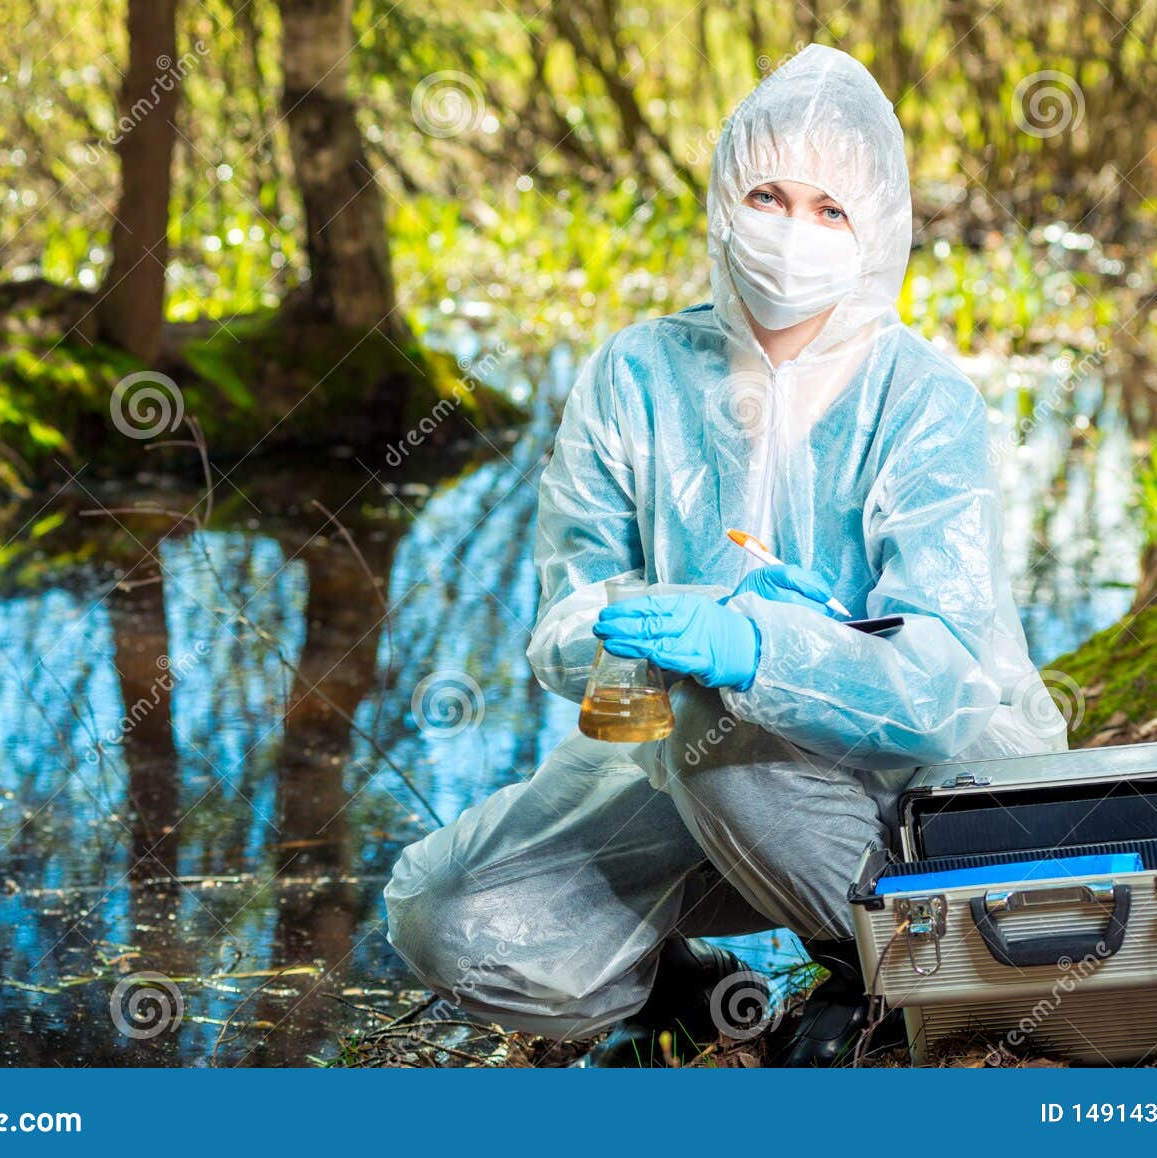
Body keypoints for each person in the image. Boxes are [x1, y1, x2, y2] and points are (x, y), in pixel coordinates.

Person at [384, 44, 1067, 1067]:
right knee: (452, 914)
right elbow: (565, 607)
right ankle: (689, 990)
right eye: (768, 196)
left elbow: (942, 687)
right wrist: (617, 629)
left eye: (830, 209)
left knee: (721, 718)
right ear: (724, 200)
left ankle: (876, 972)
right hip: (685, 771)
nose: (792, 232)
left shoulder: (923, 404)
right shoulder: (635, 375)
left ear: (877, 229)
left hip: (909, 787)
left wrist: (767, 650)